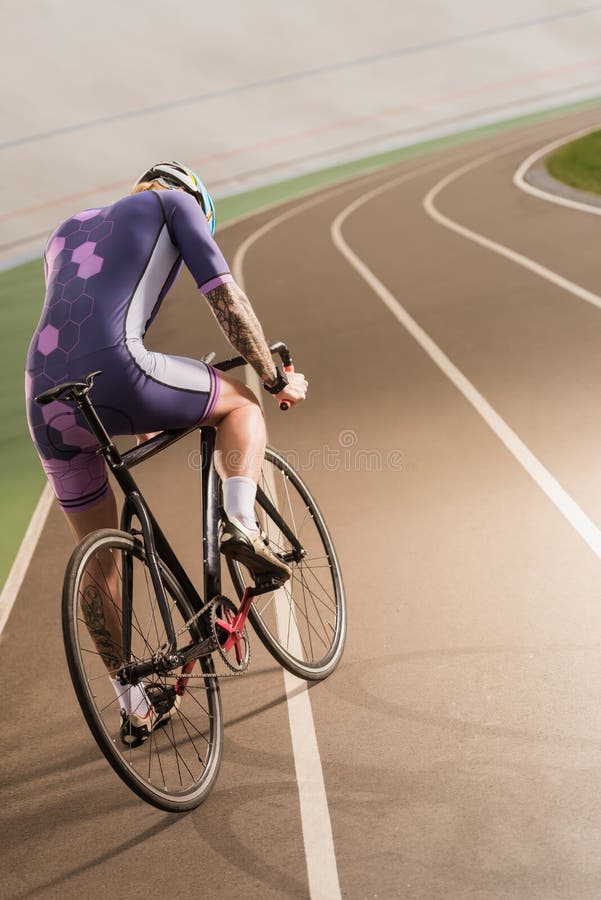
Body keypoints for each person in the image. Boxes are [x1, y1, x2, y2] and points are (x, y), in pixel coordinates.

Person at [25, 160, 308, 743]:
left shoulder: (65, 230)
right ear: (195, 202)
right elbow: (226, 301)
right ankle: (241, 525)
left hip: (44, 401)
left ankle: (133, 702)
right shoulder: (173, 207)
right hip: (119, 375)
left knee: (98, 562)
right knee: (242, 406)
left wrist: (136, 419)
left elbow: (86, 316)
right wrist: (273, 374)